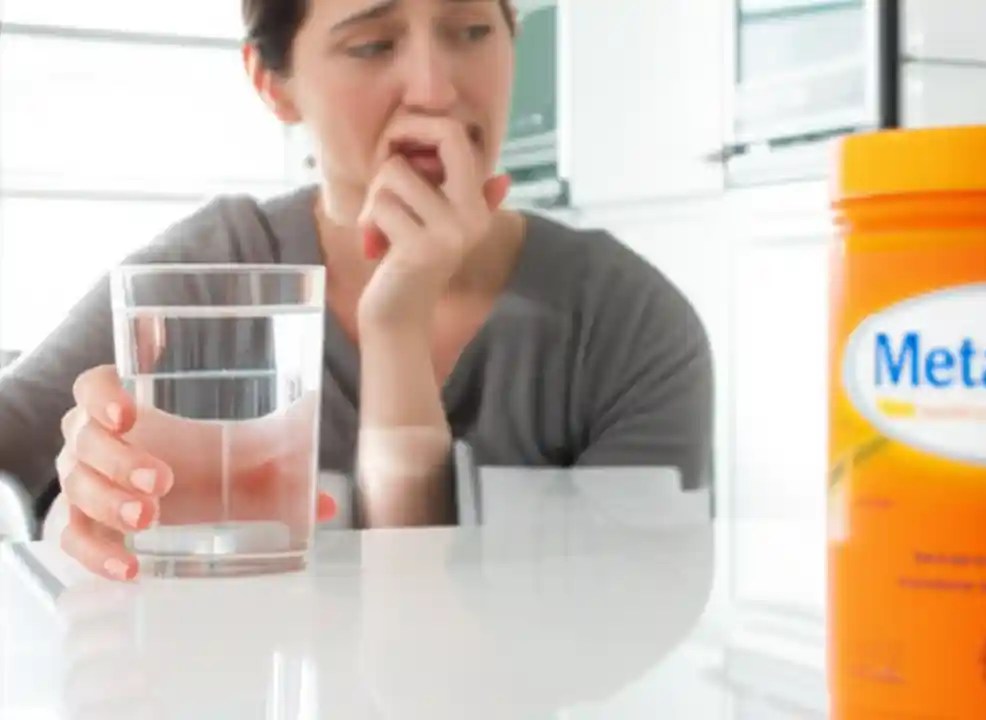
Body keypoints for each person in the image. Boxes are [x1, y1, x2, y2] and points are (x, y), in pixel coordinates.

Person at [0, 0, 713, 581]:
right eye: (372, 44)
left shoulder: (625, 321)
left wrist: (396, 328)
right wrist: (76, 491)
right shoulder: (205, 277)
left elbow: (625, 627)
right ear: (272, 84)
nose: (436, 88)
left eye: (471, 31)